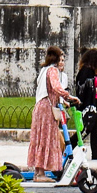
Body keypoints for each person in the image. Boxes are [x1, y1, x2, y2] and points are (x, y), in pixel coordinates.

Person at [26, 44, 70, 180]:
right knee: (47, 138)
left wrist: (64, 101)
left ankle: (38, 172)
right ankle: (41, 173)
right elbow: (56, 87)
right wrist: (68, 96)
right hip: (47, 108)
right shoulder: (53, 70)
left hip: (40, 106)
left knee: (40, 138)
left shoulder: (44, 70)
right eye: (60, 59)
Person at [72, 50, 97, 161]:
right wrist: (95, 90)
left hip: (90, 104)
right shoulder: (87, 72)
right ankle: (70, 145)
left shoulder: (84, 72)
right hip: (88, 105)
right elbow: (87, 89)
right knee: (86, 128)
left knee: (95, 129)